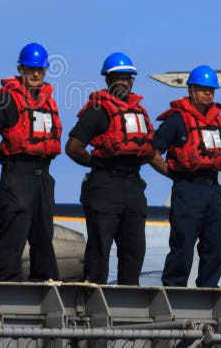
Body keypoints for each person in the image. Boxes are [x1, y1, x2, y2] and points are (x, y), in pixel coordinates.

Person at [65, 52, 154, 285]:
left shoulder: (139, 112)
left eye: (128, 78)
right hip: (105, 185)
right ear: (107, 80)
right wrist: (97, 163)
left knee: (134, 250)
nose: (124, 82)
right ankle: (94, 299)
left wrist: (173, 174)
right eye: (118, 78)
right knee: (100, 248)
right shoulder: (97, 110)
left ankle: (129, 303)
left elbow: (151, 151)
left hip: (134, 186)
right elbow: (73, 147)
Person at [150, 65, 221, 287]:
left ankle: (209, 290)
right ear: (191, 90)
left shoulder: (217, 121)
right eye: (202, 89)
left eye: (211, 89)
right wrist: (173, 175)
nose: (207, 93)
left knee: (215, 246)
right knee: (183, 244)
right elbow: (153, 152)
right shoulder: (177, 119)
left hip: (213, 190)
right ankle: (174, 290)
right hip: (187, 190)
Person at [0, 42, 61, 282]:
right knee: (13, 233)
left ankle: (44, 283)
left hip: (43, 177)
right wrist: (5, 158)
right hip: (17, 175)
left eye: (40, 69)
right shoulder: (6, 100)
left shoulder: (49, 101)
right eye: (30, 69)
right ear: (20, 69)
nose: (36, 74)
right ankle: (7, 284)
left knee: (43, 234)